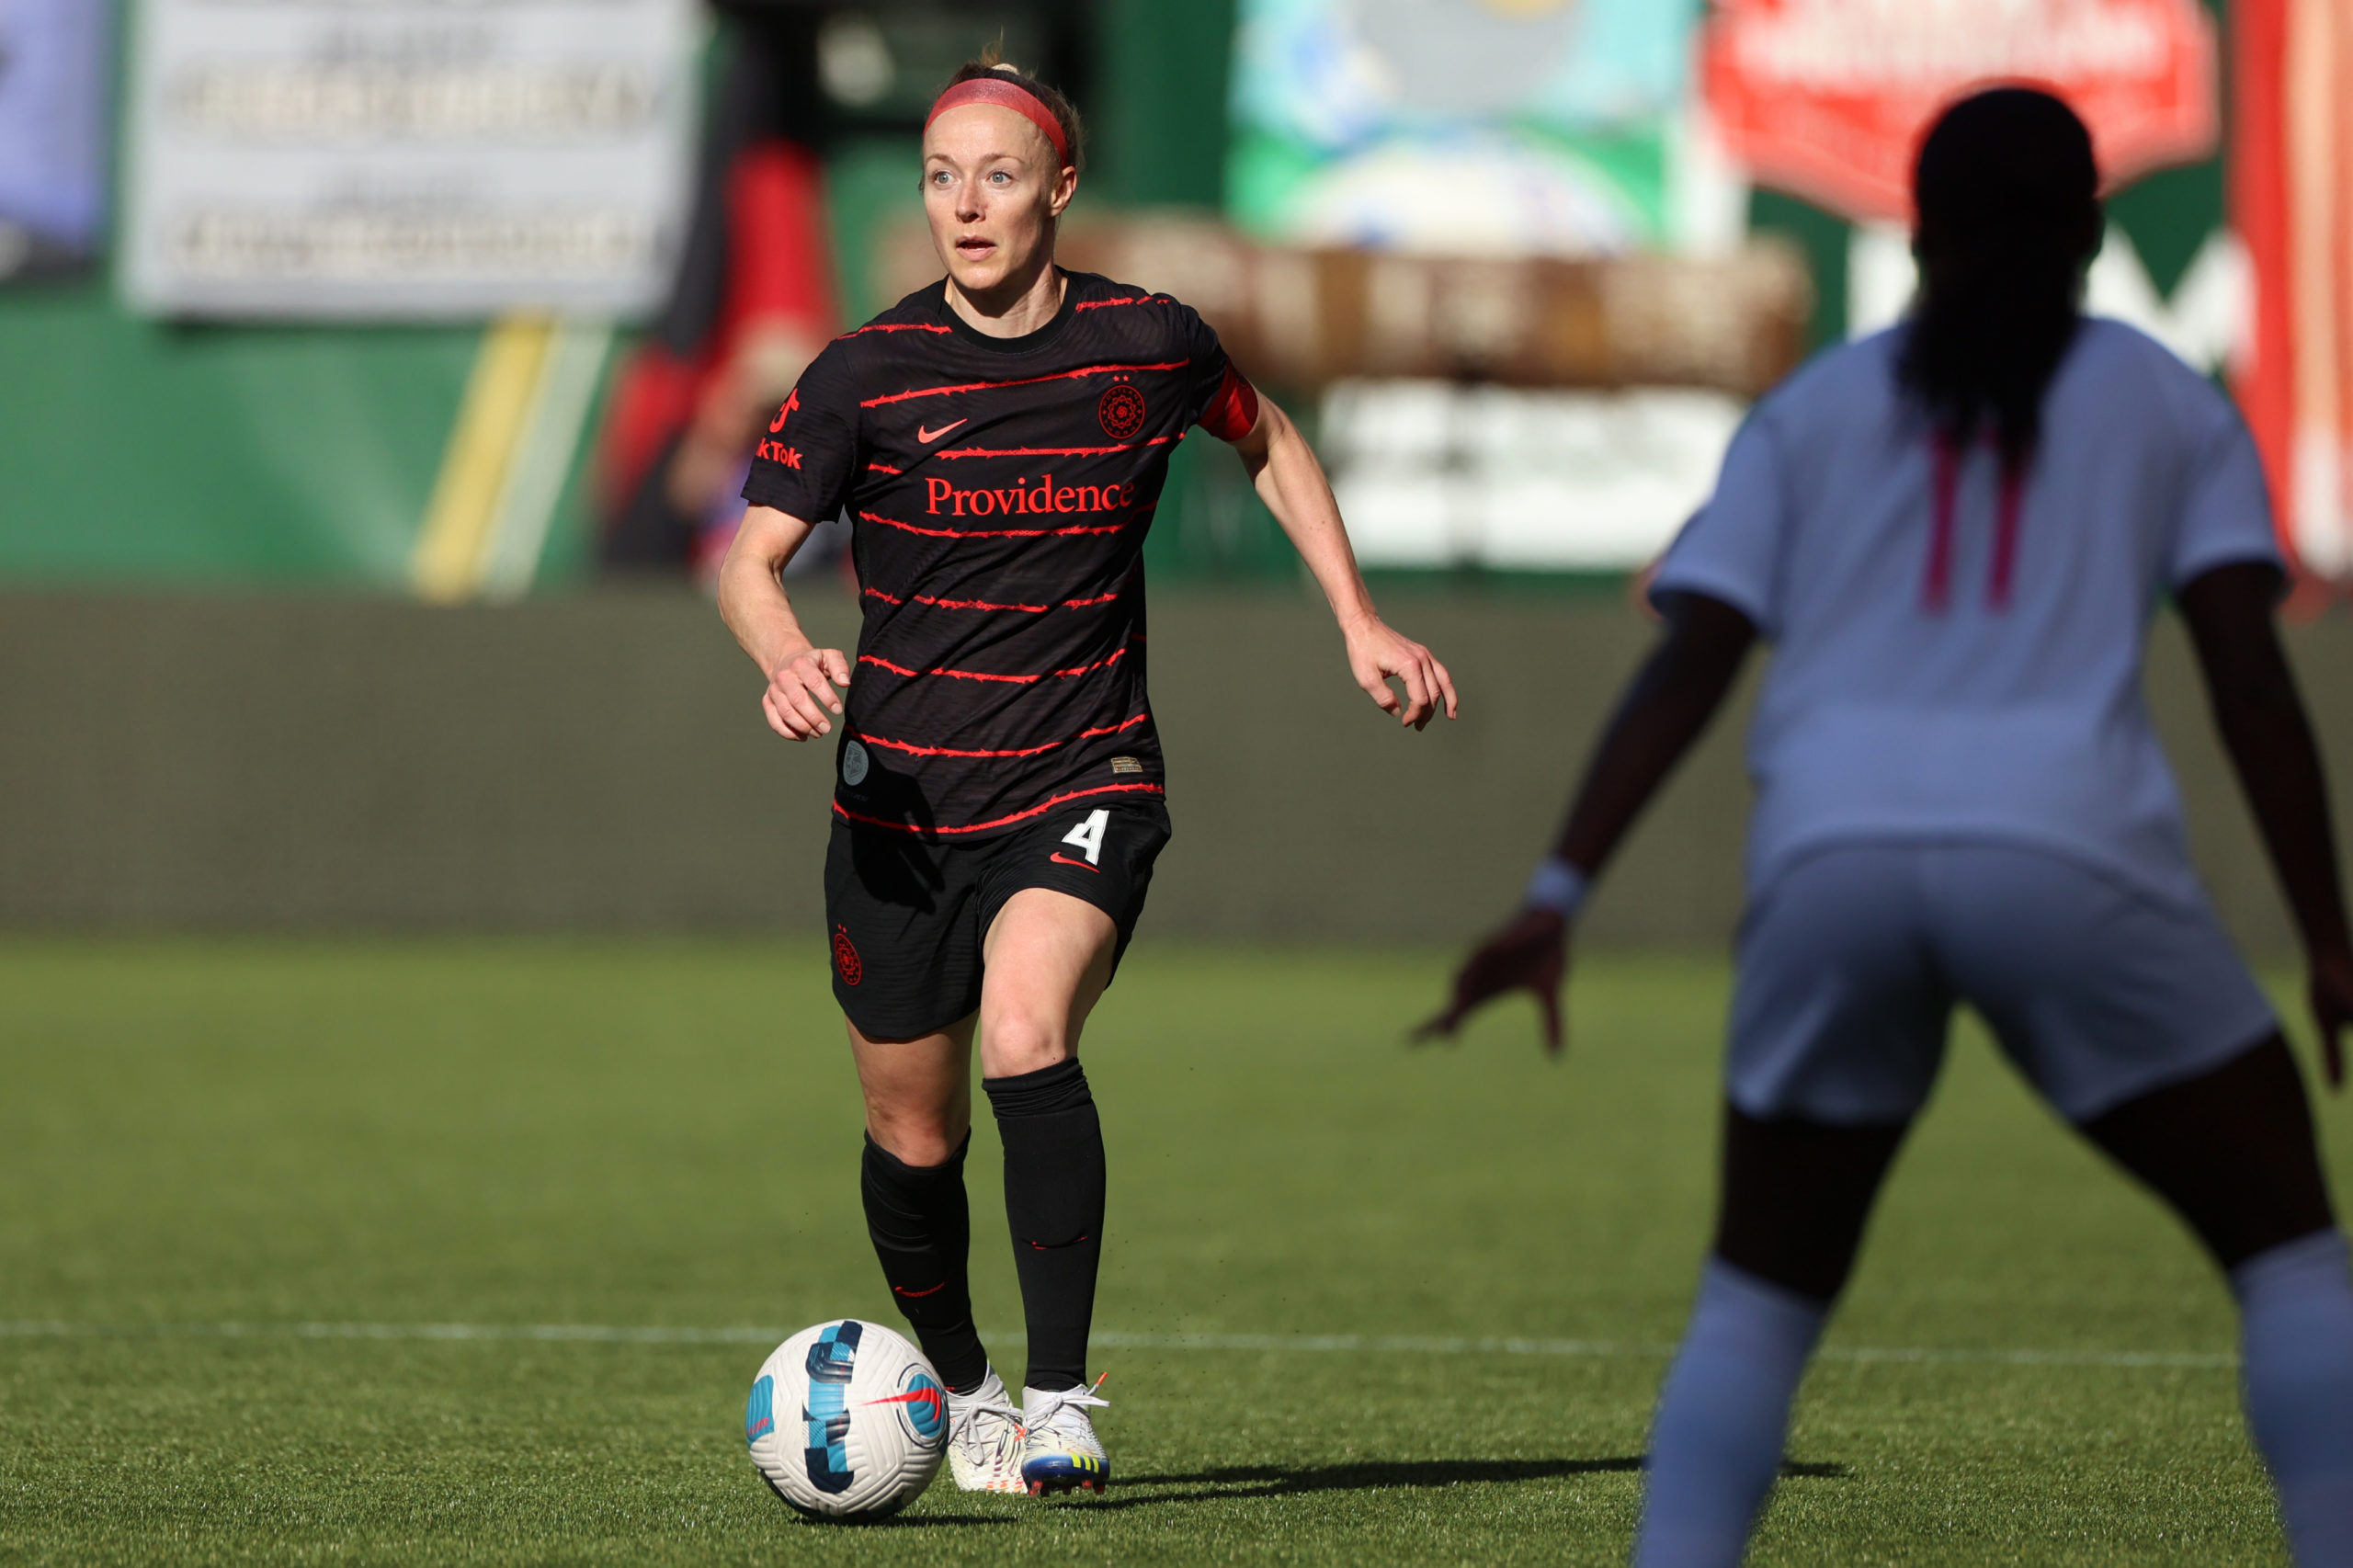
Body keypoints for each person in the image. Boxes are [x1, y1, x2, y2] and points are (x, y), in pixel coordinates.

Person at [1418, 88, 2353, 1567]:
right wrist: (2328, 939)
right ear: (2093, 232)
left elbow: (1692, 662)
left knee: (1758, 1296)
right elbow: (2249, 678)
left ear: (1918, 233)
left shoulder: (1817, 410)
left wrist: (1555, 892)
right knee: (2292, 1248)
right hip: (2071, 854)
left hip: (1828, 863)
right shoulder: (2168, 399)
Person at [718, 53, 1457, 1499]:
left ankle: (1058, 1401)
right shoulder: (865, 371)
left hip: (1083, 766)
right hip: (901, 810)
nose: (964, 205)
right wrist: (781, 650)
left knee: (1028, 1028)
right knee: (907, 1127)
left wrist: (1357, 617)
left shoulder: (1152, 343)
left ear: (1059, 188)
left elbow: (1273, 440)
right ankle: (971, 1390)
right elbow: (748, 561)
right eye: (940, 176)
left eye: (997, 174)